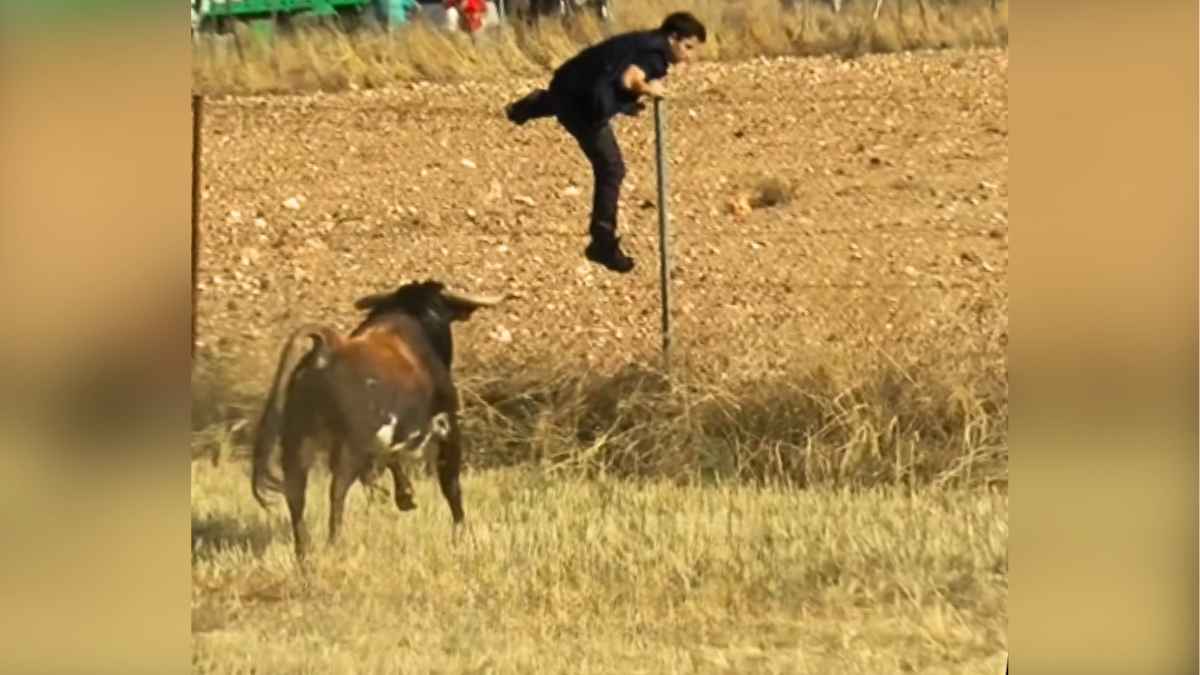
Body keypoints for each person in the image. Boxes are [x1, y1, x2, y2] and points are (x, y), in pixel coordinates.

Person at [504, 11, 707, 273]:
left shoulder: (642, 40)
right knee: (612, 168)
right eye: (688, 47)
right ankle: (602, 240)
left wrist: (625, 102)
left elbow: (611, 71)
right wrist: (650, 89)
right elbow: (629, 78)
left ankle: (531, 106)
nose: (690, 56)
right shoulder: (656, 57)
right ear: (673, 38)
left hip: (567, 85)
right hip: (584, 108)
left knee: (567, 102)